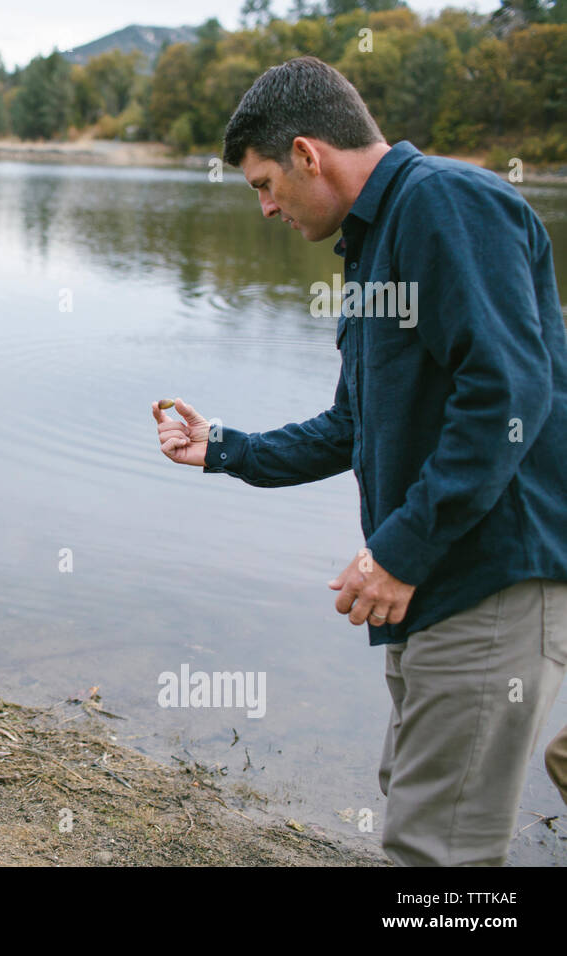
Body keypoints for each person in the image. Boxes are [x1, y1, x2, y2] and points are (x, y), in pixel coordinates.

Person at [152, 56, 567, 865]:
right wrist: (229, 450)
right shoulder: (374, 244)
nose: (266, 206)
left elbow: (507, 396)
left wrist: (399, 552)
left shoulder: (445, 204)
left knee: (437, 854)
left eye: (265, 183)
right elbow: (355, 424)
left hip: (491, 575)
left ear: (308, 153)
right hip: (440, 580)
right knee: (414, 804)